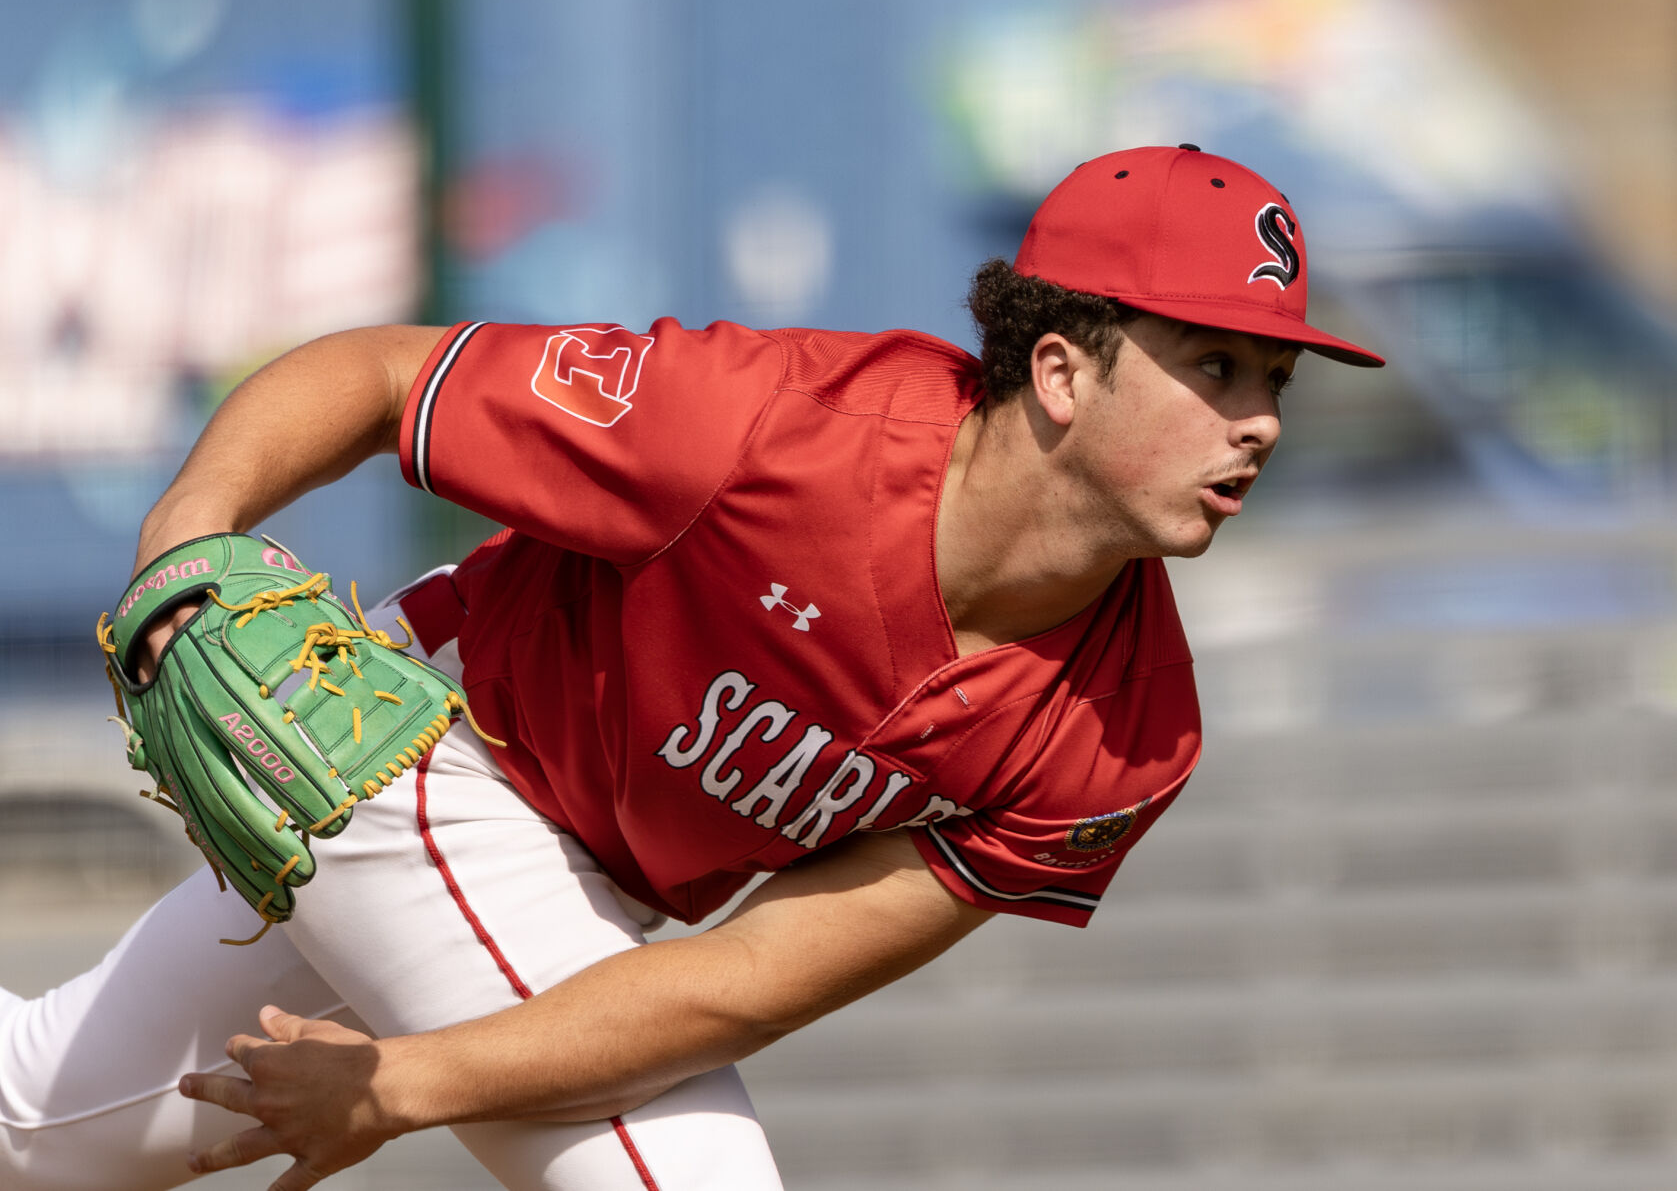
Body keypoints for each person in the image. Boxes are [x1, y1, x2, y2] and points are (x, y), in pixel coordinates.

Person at [0, 144, 1380, 1191]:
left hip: (601, 892)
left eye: (1274, 382)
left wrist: (404, 1083)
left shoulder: (1124, 734)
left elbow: (752, 978)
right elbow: (377, 380)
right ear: (1066, 373)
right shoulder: (771, 429)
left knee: (37, 1123)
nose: (1255, 423)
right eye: (1215, 365)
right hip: (423, 751)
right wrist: (184, 533)